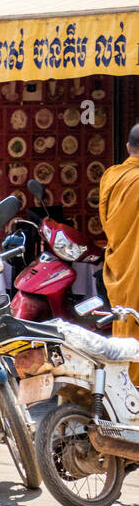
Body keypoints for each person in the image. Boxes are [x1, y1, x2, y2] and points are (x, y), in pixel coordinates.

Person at [100, 122, 139, 384]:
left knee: (124, 322)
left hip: (119, 261)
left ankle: (122, 385)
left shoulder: (111, 176)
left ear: (127, 147)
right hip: (135, 263)